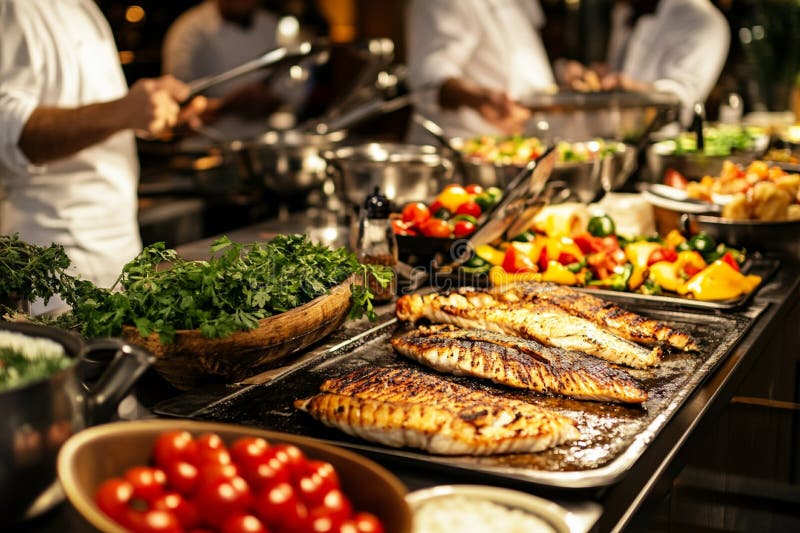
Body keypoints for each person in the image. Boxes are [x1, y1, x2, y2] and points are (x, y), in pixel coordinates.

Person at [0, 0, 205, 308]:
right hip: (53, 266)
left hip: (120, 249)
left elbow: (102, 117)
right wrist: (125, 111)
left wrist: (156, 117)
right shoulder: (13, 7)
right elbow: (8, 132)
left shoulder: (85, 7)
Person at [556, 0, 730, 124]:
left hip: (663, 141)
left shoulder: (703, 20)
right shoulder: (625, 11)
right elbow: (622, 68)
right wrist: (599, 75)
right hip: (615, 130)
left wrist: (632, 89)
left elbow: (684, 96)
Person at [406, 0, 556, 142]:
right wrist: (479, 98)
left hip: (517, 142)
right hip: (459, 145)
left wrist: (560, 72)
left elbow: (520, 57)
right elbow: (429, 78)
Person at [163, 0, 308, 137]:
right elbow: (177, 104)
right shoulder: (189, 31)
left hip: (264, 138)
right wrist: (224, 105)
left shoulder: (271, 26)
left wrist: (273, 99)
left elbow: (295, 88)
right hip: (207, 144)